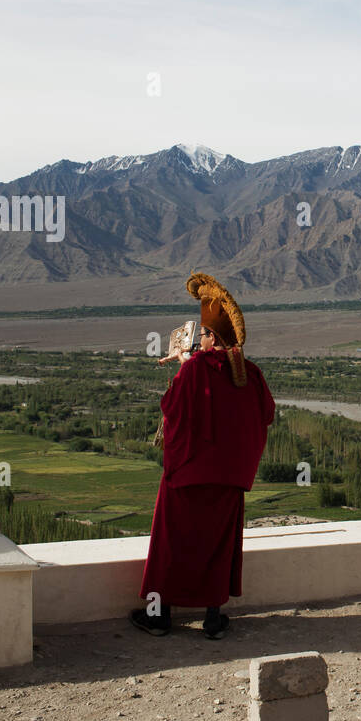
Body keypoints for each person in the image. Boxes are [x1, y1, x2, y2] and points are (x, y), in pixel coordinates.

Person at [131, 272, 275, 639]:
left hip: (188, 474)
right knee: (217, 546)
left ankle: (159, 615)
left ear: (213, 336)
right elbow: (266, 415)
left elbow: (173, 409)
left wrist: (182, 366)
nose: (201, 341)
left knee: (172, 542)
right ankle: (212, 619)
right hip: (229, 478)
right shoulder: (251, 373)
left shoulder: (196, 368)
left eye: (205, 335)